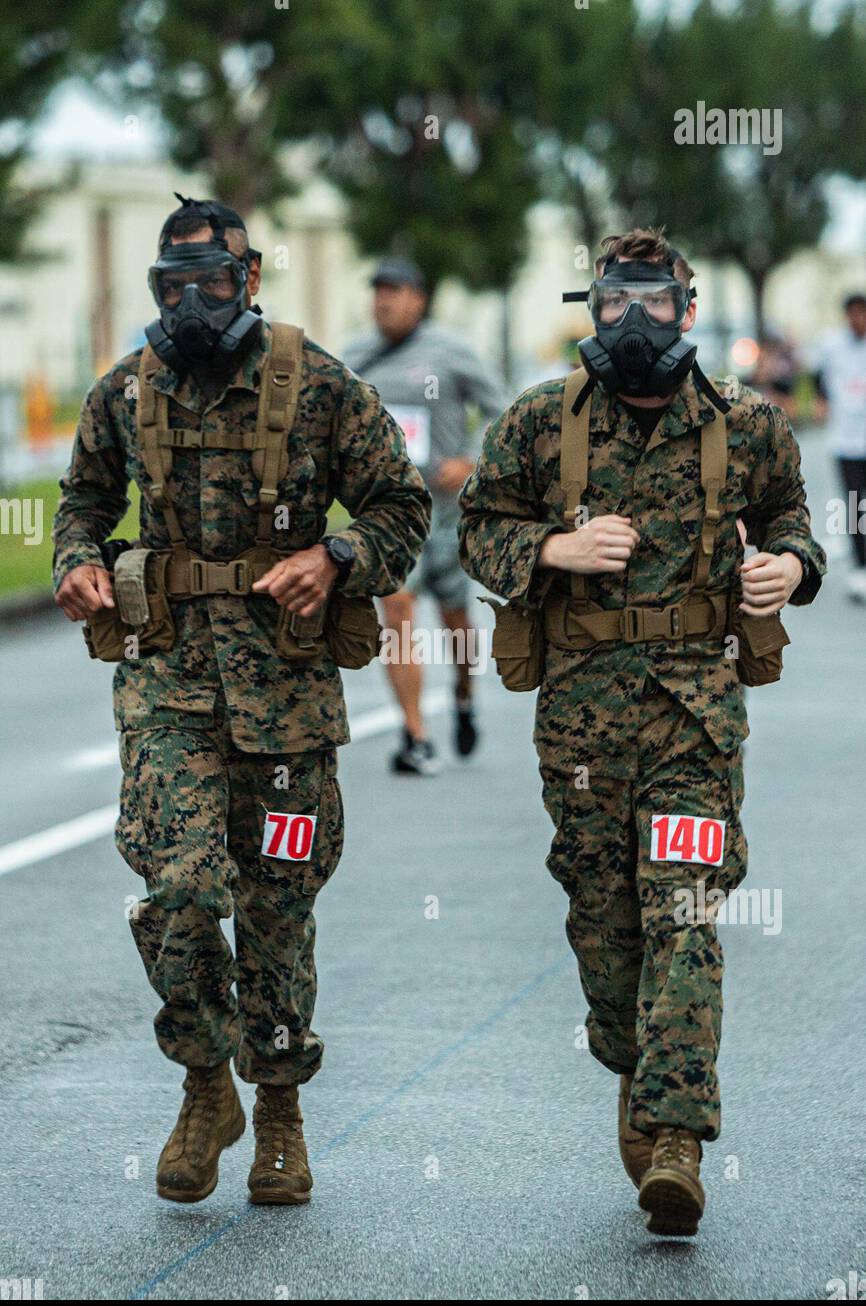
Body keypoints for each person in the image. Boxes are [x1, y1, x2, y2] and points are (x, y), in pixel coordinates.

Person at [52, 195, 430, 1206]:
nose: (190, 303)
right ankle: (202, 1082)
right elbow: (82, 503)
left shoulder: (319, 388)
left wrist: (339, 554)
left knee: (277, 912)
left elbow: (402, 504)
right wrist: (80, 561)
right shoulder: (124, 393)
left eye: (211, 282)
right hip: (167, 682)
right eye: (171, 284)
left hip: (286, 700)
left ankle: (280, 1115)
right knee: (175, 891)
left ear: (250, 278)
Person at [458, 227, 826, 1237]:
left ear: (688, 310)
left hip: (693, 724)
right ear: (591, 307)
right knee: (603, 928)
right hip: (576, 721)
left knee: (684, 914)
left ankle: (675, 1134)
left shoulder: (744, 423)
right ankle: (634, 1064)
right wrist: (554, 547)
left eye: (653, 303)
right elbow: (476, 529)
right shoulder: (540, 422)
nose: (631, 321)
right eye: (612, 301)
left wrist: (787, 567)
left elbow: (793, 517)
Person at [343, 257, 507, 774]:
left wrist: (472, 460)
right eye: (377, 292)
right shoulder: (354, 357)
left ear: (419, 297)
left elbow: (505, 413)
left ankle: (462, 696)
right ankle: (414, 733)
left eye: (394, 291)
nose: (384, 301)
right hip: (389, 514)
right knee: (395, 610)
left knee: (457, 619)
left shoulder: (451, 350)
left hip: (448, 514)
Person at [811, 293, 866, 602]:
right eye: (853, 314)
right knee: (856, 505)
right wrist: (822, 403)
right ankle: (860, 567)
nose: (858, 321)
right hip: (846, 439)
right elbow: (818, 379)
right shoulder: (832, 346)